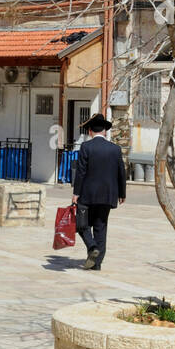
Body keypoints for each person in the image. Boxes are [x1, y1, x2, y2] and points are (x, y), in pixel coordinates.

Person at [70, 114, 126, 271]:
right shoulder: (115, 149)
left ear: (90, 131)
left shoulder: (86, 147)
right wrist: (122, 193)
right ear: (105, 131)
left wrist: (76, 193)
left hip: (87, 195)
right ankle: (97, 264)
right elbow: (121, 172)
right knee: (101, 227)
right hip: (108, 195)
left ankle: (92, 246)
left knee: (82, 224)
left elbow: (80, 172)